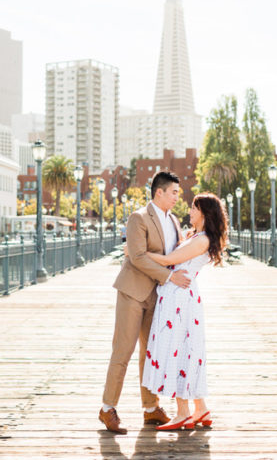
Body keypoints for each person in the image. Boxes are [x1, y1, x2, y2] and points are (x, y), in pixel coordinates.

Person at [99, 171, 192, 435]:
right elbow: (138, 257)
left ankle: (151, 409)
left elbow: (175, 253)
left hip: (158, 297)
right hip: (133, 292)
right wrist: (170, 277)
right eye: (174, 192)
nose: (177, 197)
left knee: (150, 355)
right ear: (159, 192)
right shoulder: (138, 217)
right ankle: (107, 408)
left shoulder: (173, 220)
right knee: (123, 351)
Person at [141, 193, 228, 431]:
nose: (189, 211)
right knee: (187, 349)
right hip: (177, 296)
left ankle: (182, 413)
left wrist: (138, 254)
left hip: (180, 298)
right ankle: (200, 408)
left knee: (177, 349)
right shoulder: (196, 236)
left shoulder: (202, 240)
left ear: (204, 213)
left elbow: (169, 259)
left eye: (193, 207)